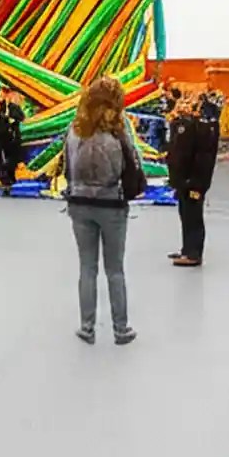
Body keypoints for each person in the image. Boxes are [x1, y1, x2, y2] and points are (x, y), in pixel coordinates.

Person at [63, 76, 137, 346]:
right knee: (115, 269)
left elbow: (66, 167)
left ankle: (87, 327)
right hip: (112, 204)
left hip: (79, 203)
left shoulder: (74, 130)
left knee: (87, 267)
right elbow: (130, 166)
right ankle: (121, 329)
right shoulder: (118, 131)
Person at [165, 97, 219, 268]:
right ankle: (186, 248)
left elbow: (201, 158)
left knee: (193, 216)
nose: (181, 108)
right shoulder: (183, 126)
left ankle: (193, 253)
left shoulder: (200, 129)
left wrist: (193, 181)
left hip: (193, 182)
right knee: (185, 214)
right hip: (183, 181)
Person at [0, 90, 26, 187]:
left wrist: (13, 119)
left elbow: (22, 117)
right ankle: (3, 175)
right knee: (1, 157)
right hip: (1, 137)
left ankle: (9, 175)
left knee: (11, 157)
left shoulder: (13, 107)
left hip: (12, 137)